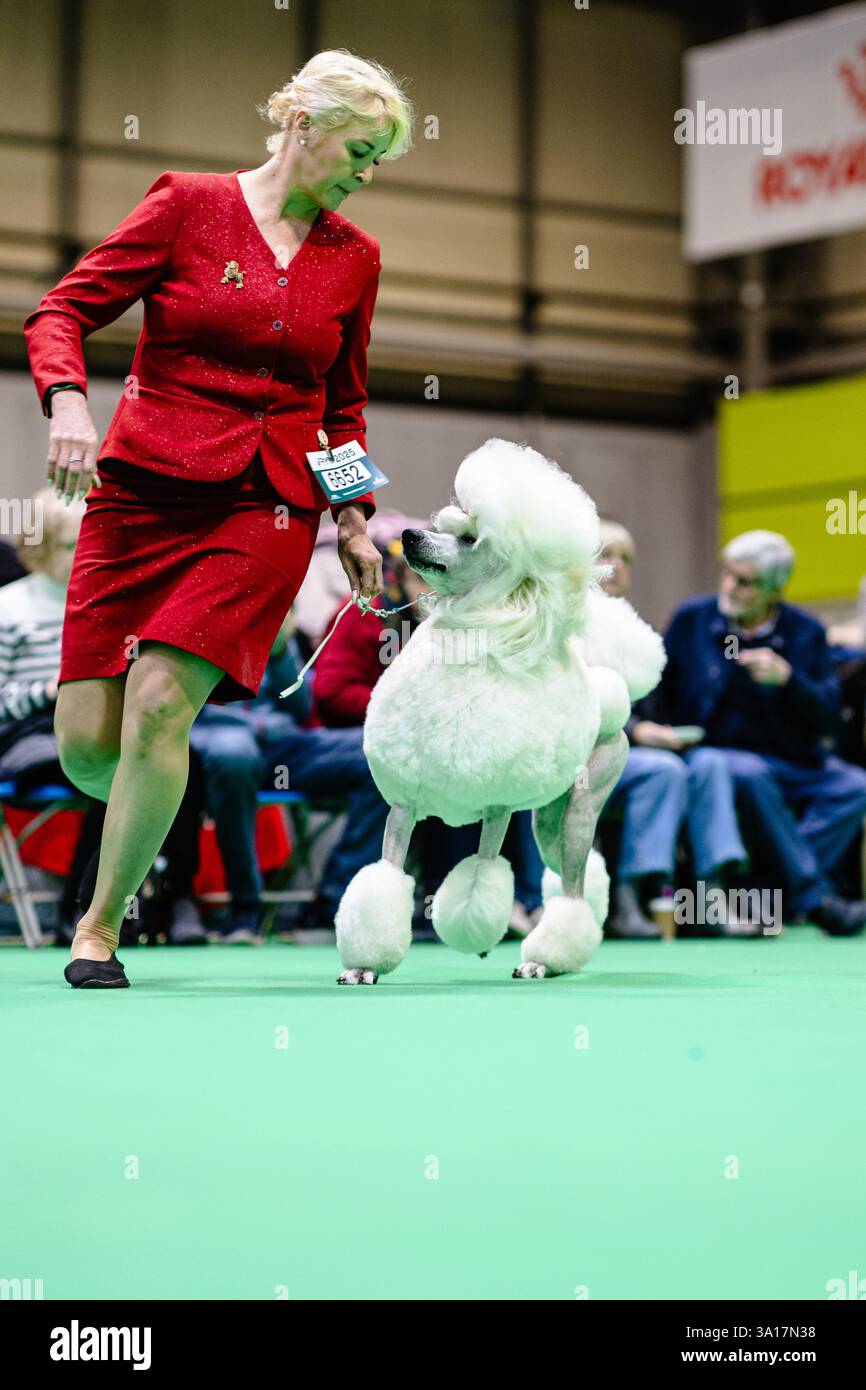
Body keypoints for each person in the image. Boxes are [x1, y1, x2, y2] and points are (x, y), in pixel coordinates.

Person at [22, 50, 414, 987]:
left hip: (266, 508)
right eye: (358, 150)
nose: (365, 175)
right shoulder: (187, 205)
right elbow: (62, 311)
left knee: (162, 701)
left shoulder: (355, 259)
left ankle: (99, 930)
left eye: (379, 161)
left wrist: (353, 519)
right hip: (141, 497)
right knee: (87, 748)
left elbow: (344, 407)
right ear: (301, 123)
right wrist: (70, 403)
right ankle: (146, 806)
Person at [312, 539, 546, 933]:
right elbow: (331, 693)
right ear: (399, 577)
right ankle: (339, 897)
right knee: (401, 761)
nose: (431, 590)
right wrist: (410, 710)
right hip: (346, 737)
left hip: (431, 740)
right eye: (420, 578)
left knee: (500, 760)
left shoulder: (464, 624)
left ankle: (516, 900)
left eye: (443, 580)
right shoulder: (368, 612)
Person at [656, 530, 866, 935]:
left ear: (774, 590)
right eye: (727, 574)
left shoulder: (804, 631)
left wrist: (789, 681)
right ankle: (814, 898)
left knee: (855, 787)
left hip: (793, 760)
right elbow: (659, 687)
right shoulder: (694, 620)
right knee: (748, 773)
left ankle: (771, 890)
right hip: (720, 753)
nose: (729, 586)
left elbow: (829, 716)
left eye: (744, 581)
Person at [189, 608, 390, 940]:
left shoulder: (270, 599)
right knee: (235, 755)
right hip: (218, 734)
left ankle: (333, 901)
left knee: (379, 749)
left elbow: (300, 706)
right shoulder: (201, 607)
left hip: (284, 743)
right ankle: (244, 908)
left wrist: (281, 651)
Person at [597, 520, 747, 937]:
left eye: (626, 558)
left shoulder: (637, 629)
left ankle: (709, 899)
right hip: (588, 752)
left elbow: (660, 700)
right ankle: (630, 899)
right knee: (662, 771)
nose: (618, 566)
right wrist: (638, 731)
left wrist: (670, 731)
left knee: (711, 762)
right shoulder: (568, 625)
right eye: (607, 554)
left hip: (641, 746)